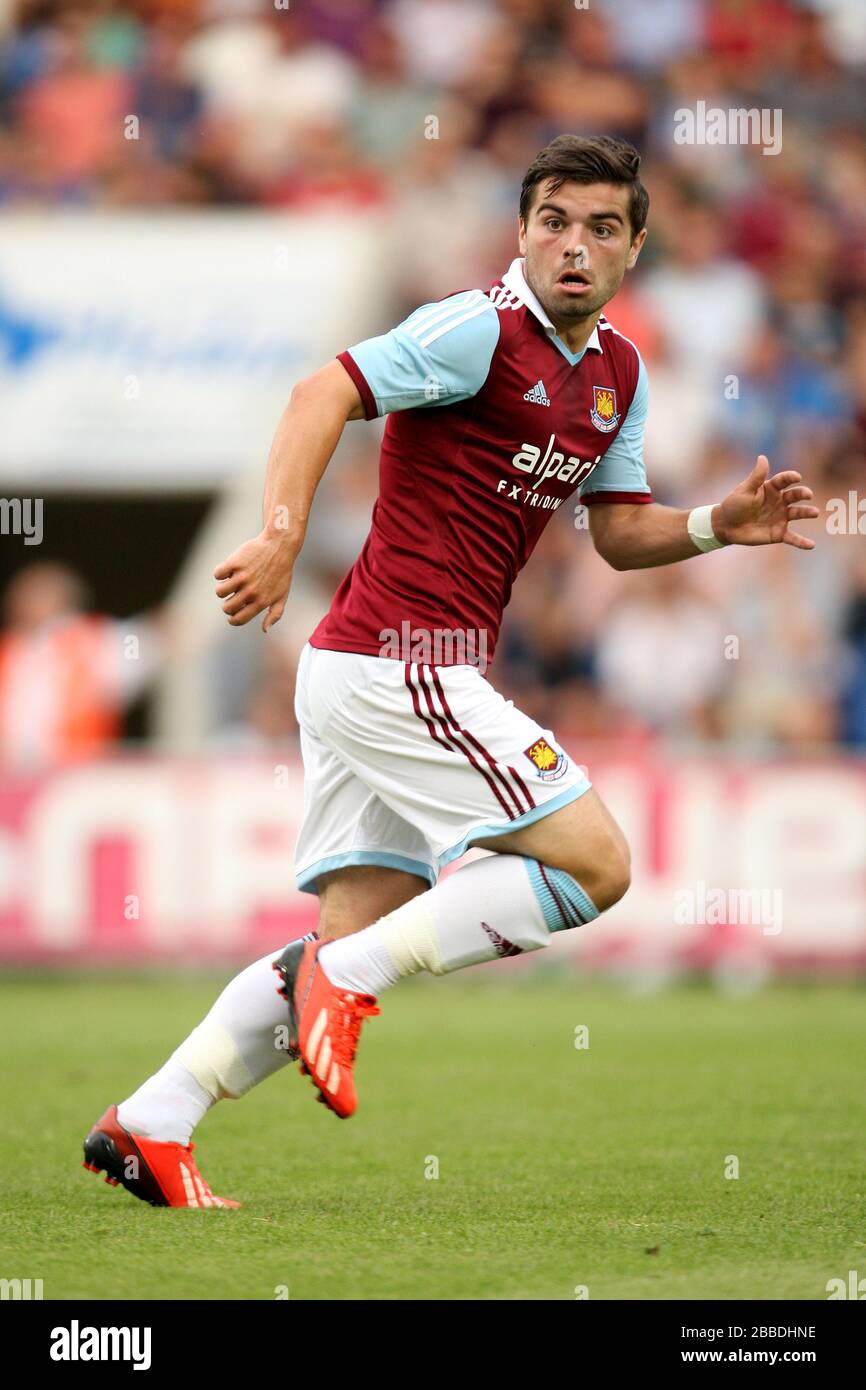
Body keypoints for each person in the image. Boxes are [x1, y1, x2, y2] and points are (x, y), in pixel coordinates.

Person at [82, 134, 819, 1207]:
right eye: (553, 221)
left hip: (370, 672)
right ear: (522, 231)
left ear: (633, 247)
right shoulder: (478, 329)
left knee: (348, 931)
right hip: (399, 661)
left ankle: (152, 1121)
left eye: (600, 227)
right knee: (595, 865)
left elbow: (615, 534)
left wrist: (716, 524)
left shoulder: (616, 373)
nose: (573, 245)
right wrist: (283, 534)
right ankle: (350, 981)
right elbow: (316, 393)